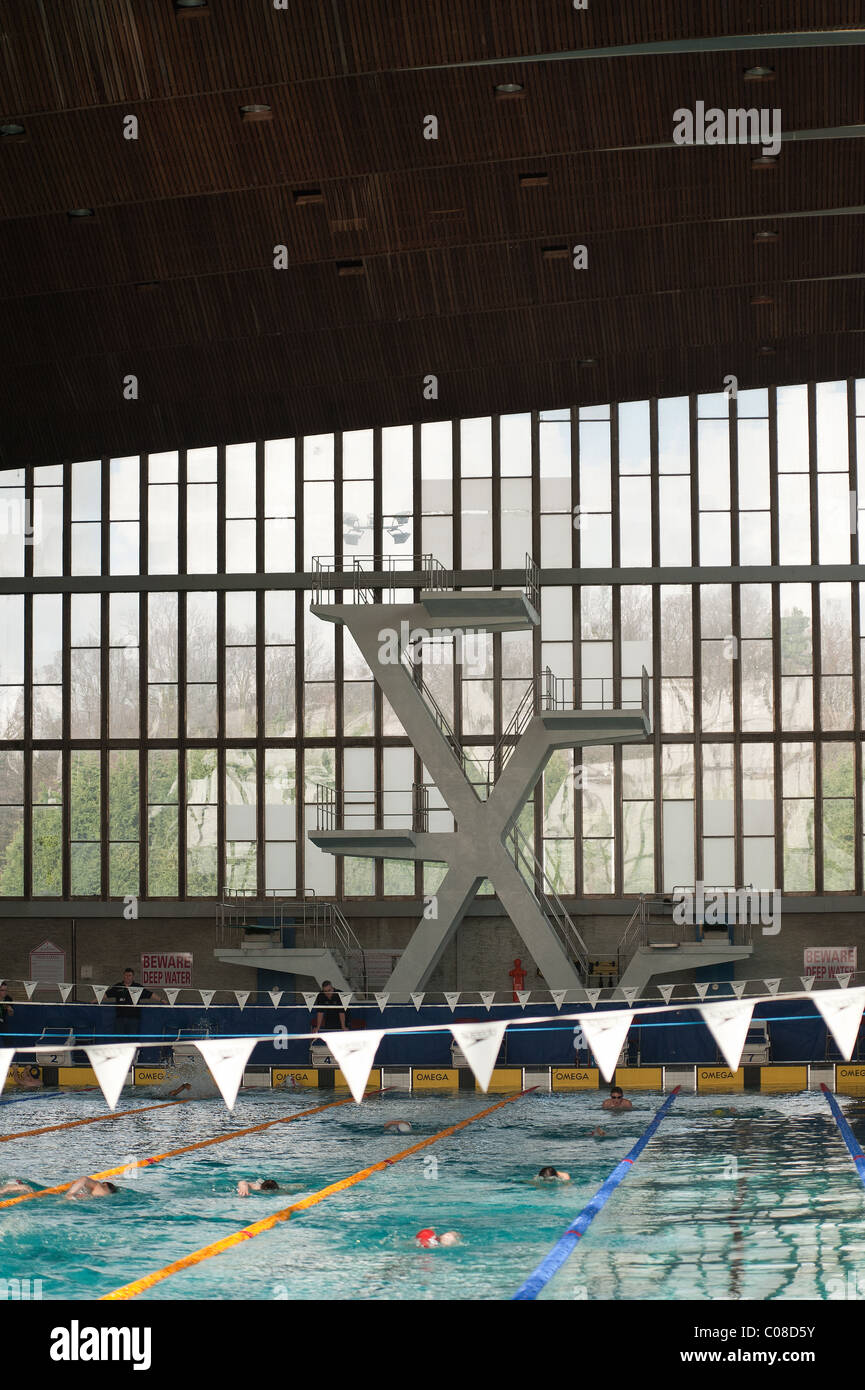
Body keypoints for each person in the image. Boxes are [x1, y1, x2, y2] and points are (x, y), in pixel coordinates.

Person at [106, 968, 160, 1039]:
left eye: (129, 975)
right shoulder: (118, 986)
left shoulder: (137, 987)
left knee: (132, 1039)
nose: (128, 977)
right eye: (126, 975)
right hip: (120, 1018)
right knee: (119, 1039)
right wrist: (95, 1000)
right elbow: (106, 994)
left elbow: (150, 994)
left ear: (133, 977)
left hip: (133, 1019)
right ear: (123, 976)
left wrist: (161, 1000)